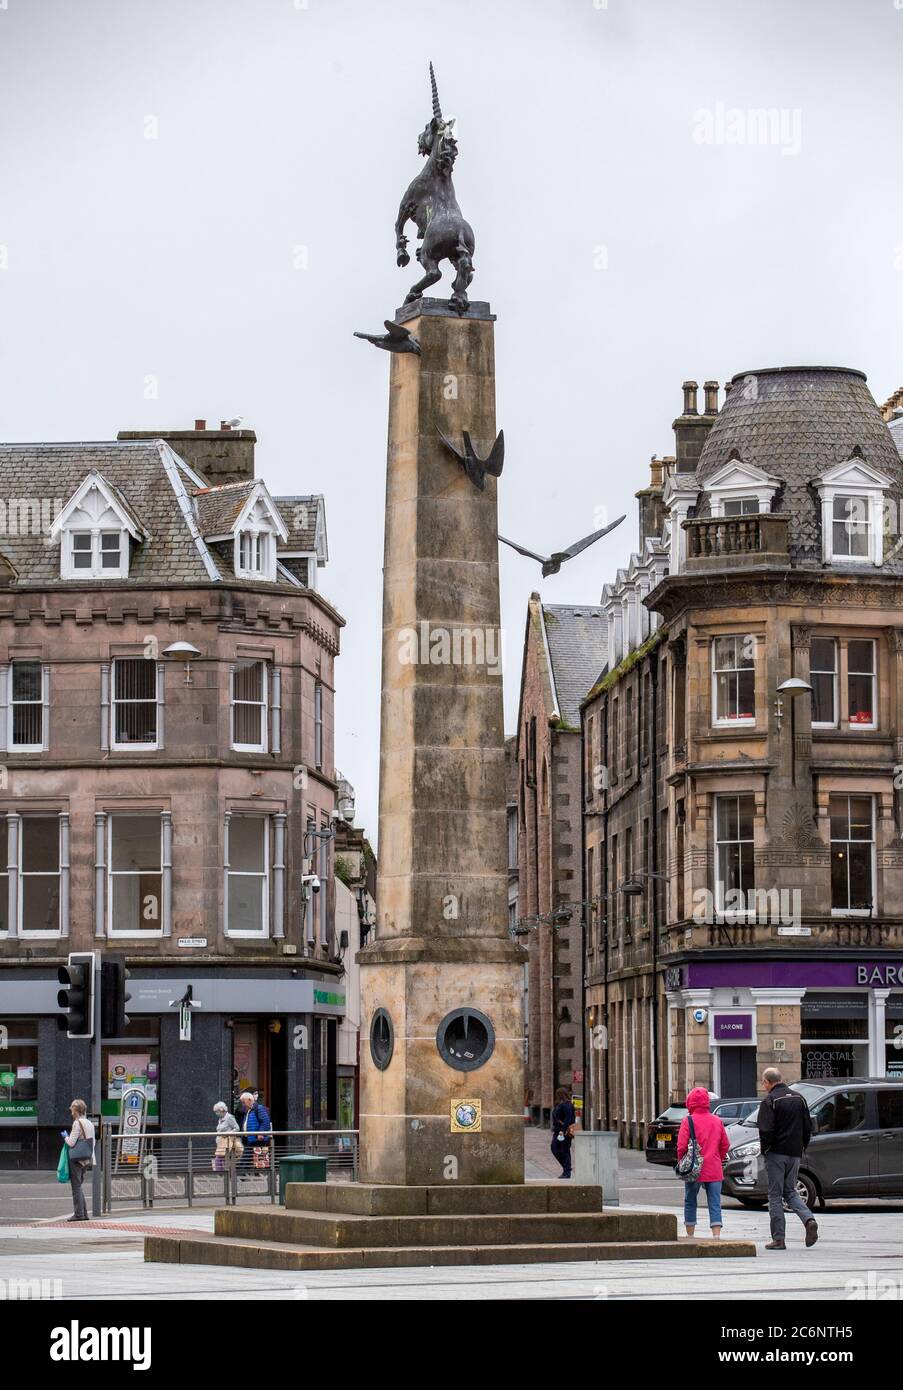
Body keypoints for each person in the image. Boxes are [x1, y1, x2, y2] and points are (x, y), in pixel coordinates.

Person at [758, 1067, 818, 1250]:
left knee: (775, 1195)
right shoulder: (799, 1099)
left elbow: (765, 1130)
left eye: (763, 1082)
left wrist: (766, 1149)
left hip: (776, 1153)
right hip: (794, 1153)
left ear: (768, 1082)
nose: (763, 1086)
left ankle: (779, 1239)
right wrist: (801, 1147)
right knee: (790, 1191)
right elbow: (808, 1126)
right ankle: (809, 1220)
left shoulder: (770, 1100)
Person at [676, 1087, 730, 1239]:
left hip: (693, 1168)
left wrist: (683, 1162)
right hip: (713, 1167)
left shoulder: (688, 1121)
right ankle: (716, 1235)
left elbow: (681, 1146)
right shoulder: (716, 1120)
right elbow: (725, 1144)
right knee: (715, 1202)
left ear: (690, 1102)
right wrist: (716, 1157)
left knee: (690, 1200)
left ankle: (690, 1234)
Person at [62, 1099, 95, 1222]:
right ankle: (84, 1213)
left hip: (76, 1159)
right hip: (86, 1158)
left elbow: (71, 1143)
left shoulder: (77, 1123)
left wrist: (65, 1136)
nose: (71, 1111)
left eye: (72, 1109)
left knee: (76, 1187)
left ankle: (79, 1214)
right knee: (79, 1185)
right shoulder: (89, 1123)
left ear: (76, 1110)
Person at [239, 1089, 273, 1172]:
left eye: (244, 1102)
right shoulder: (248, 1110)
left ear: (250, 1100)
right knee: (247, 1157)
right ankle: (242, 1174)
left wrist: (260, 1133)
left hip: (256, 1138)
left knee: (247, 1157)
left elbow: (265, 1122)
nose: (243, 1105)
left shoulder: (259, 1108)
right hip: (250, 1138)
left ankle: (240, 1174)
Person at [550, 1087, 577, 1179]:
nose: (557, 1096)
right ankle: (567, 1169)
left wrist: (563, 1130)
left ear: (561, 1094)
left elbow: (568, 1119)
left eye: (558, 1094)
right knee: (554, 1148)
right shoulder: (560, 1104)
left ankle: (567, 1172)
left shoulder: (567, 1105)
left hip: (563, 1132)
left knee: (565, 1150)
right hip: (557, 1131)